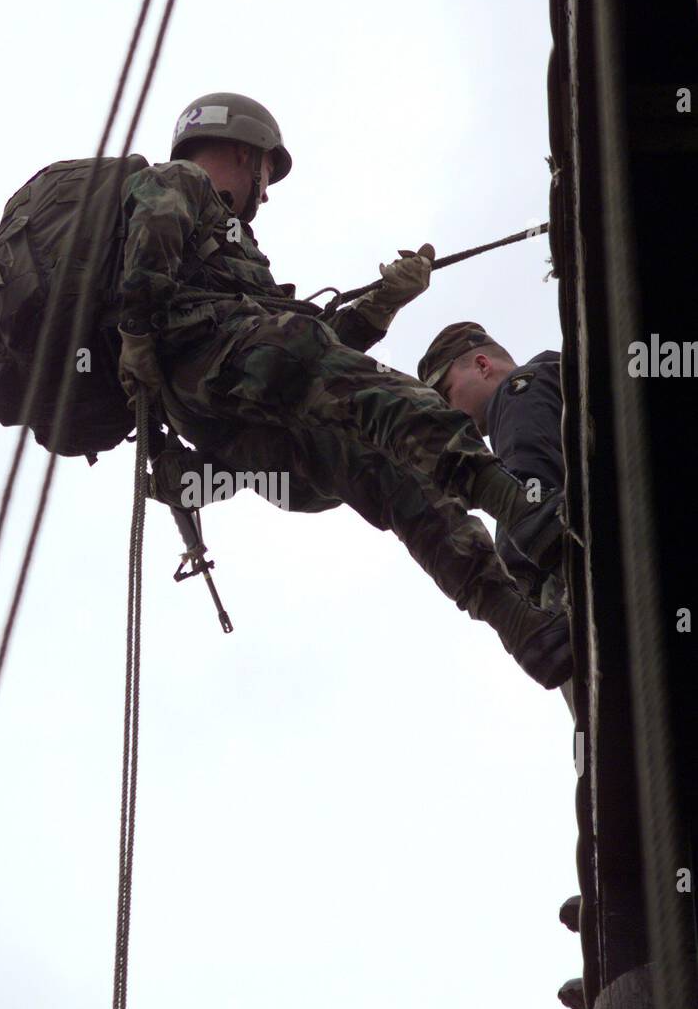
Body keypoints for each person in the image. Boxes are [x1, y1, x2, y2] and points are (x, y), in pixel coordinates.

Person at [115, 92, 570, 689]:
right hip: (216, 373)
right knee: (383, 396)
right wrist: (138, 340)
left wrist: (382, 305)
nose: (265, 192)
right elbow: (295, 347)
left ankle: (523, 627)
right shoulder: (179, 181)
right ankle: (523, 512)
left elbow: (308, 365)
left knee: (398, 474)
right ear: (241, 151)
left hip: (251, 424)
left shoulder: (234, 249)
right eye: (265, 173)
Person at [416, 324, 564, 604]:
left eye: (446, 395)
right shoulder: (560, 377)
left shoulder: (518, 389)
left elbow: (530, 493)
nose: (447, 413)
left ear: (482, 365)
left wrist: (517, 591)